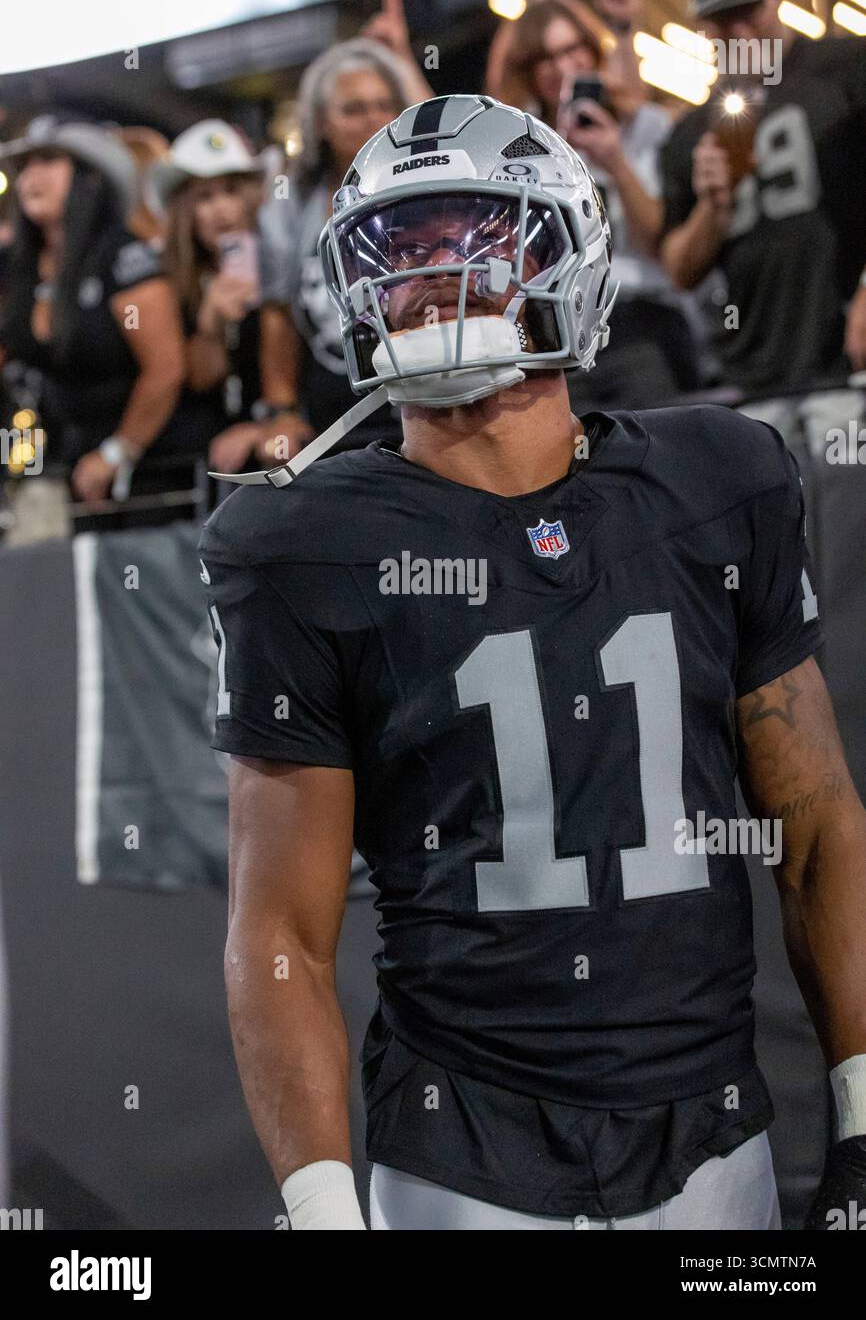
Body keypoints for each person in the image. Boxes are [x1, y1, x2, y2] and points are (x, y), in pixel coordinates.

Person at [199, 95, 866, 1231]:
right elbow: (281, 937)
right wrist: (320, 1212)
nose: (430, 275)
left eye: (469, 234)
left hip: (709, 1129)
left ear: (567, 250)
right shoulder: (299, 543)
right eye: (395, 249)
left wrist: (859, 1117)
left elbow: (812, 831)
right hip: (466, 1152)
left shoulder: (718, 479)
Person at [660, 0, 866, 400]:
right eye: (722, 22)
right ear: (702, 28)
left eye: (749, 12)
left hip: (849, 356)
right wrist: (712, 210)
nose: (742, 35)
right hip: (754, 376)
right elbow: (679, 270)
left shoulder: (846, 68)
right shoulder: (692, 131)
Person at [487, 0, 702, 407]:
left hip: (641, 318)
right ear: (527, 72)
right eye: (545, 59)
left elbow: (661, 245)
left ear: (590, 50)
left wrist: (615, 163)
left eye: (571, 50)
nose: (563, 67)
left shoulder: (644, 126)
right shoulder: (519, 154)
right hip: (557, 332)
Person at [249, 39, 425, 474]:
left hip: (426, 395)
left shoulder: (430, 188)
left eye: (385, 105)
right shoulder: (290, 203)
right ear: (320, 123)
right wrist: (279, 410)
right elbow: (278, 312)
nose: (372, 120)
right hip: (334, 410)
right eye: (354, 108)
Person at [0, 116, 184, 529]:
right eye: (26, 164)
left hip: (143, 474)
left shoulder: (121, 254)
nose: (31, 175)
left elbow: (166, 369)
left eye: (49, 160)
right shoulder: (19, 266)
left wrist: (118, 452)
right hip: (56, 466)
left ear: (91, 178)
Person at [148, 119, 282, 484]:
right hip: (217, 456)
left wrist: (266, 426)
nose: (221, 208)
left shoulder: (284, 265)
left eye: (230, 191)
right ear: (184, 214)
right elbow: (199, 380)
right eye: (205, 198)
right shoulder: (176, 285)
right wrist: (210, 326)